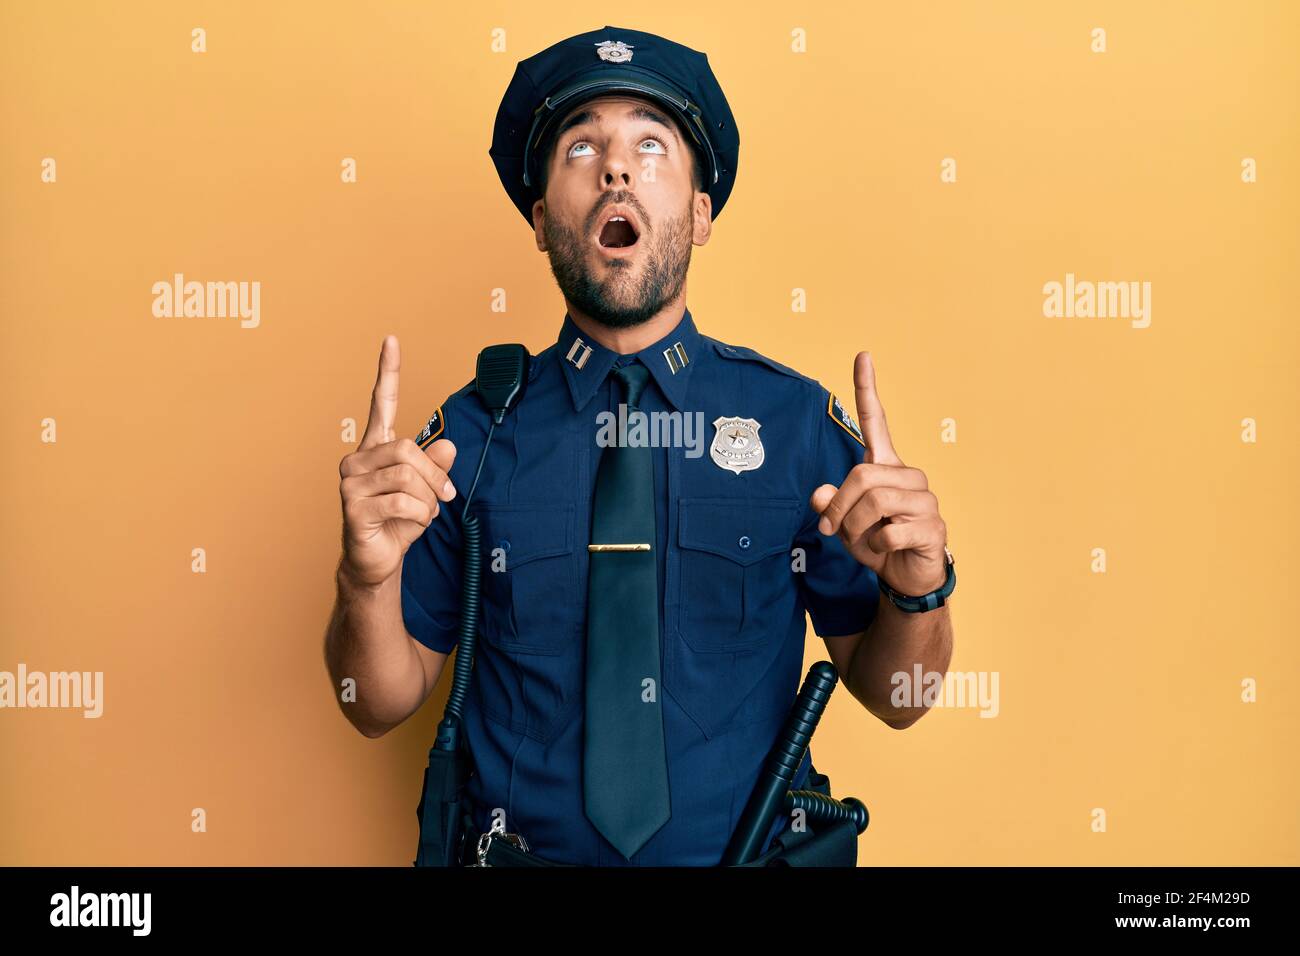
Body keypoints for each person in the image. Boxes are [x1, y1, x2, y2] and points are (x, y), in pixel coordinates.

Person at [324, 25, 956, 867]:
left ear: (698, 214)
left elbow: (898, 698)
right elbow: (374, 703)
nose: (616, 168)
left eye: (650, 145)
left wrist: (921, 587)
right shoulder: (469, 437)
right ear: (544, 221)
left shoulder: (796, 425)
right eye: (581, 146)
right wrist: (363, 579)